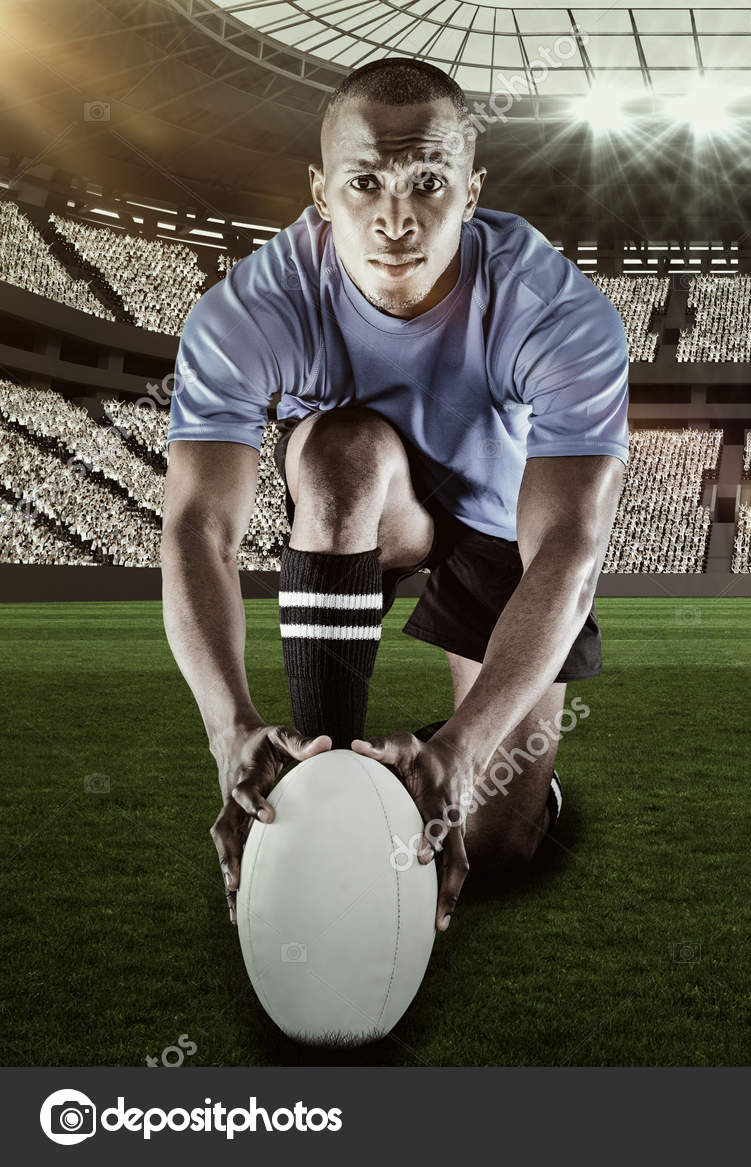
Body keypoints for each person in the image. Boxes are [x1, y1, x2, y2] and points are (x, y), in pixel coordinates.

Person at [160, 57, 628, 935]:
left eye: (429, 182)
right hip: (369, 511)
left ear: (473, 188)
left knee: (498, 843)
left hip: (500, 527)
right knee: (340, 452)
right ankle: (319, 777)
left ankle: (454, 758)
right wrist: (230, 729)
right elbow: (196, 524)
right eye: (365, 182)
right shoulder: (251, 309)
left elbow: (568, 543)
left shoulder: (556, 308)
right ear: (320, 188)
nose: (396, 218)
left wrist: (468, 744)